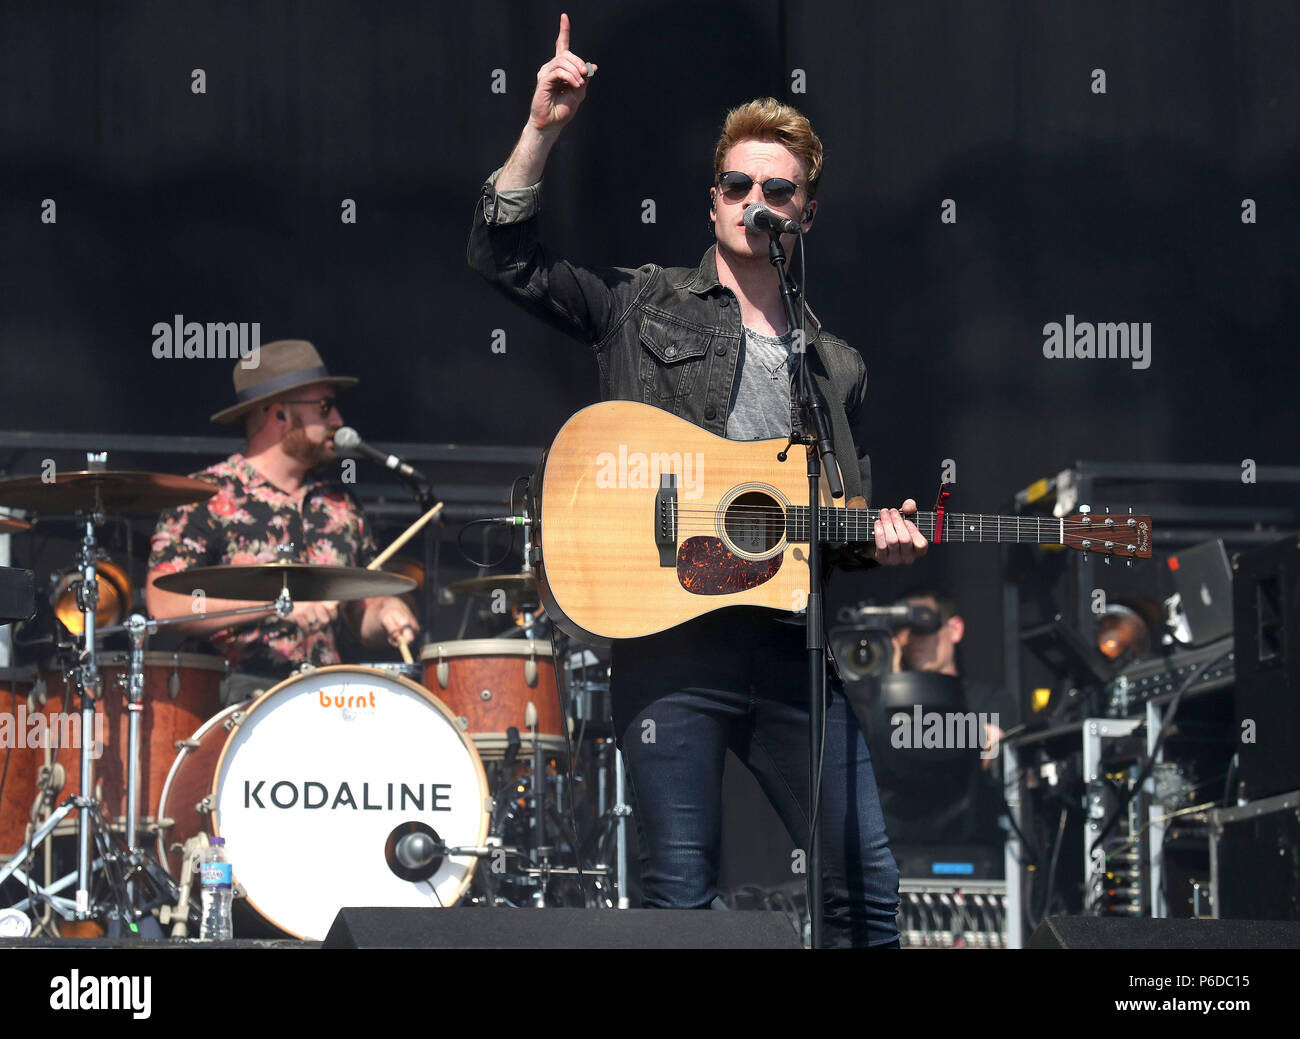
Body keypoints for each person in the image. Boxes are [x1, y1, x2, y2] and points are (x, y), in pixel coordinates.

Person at [467, 14, 927, 947]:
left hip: (789, 648)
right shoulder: (643, 303)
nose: (754, 198)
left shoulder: (836, 365)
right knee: (681, 905)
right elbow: (503, 257)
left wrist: (875, 538)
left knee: (865, 892)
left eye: (776, 189)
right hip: (669, 644)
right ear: (713, 202)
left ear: (803, 214)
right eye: (737, 184)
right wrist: (543, 127)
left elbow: (825, 526)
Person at [145, 339, 420, 702]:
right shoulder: (205, 495)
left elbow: (359, 612)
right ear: (278, 414)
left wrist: (386, 611)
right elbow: (164, 605)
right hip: (234, 700)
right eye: (324, 407)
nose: (337, 421)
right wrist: (279, 602)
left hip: (326, 696)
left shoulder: (340, 504)